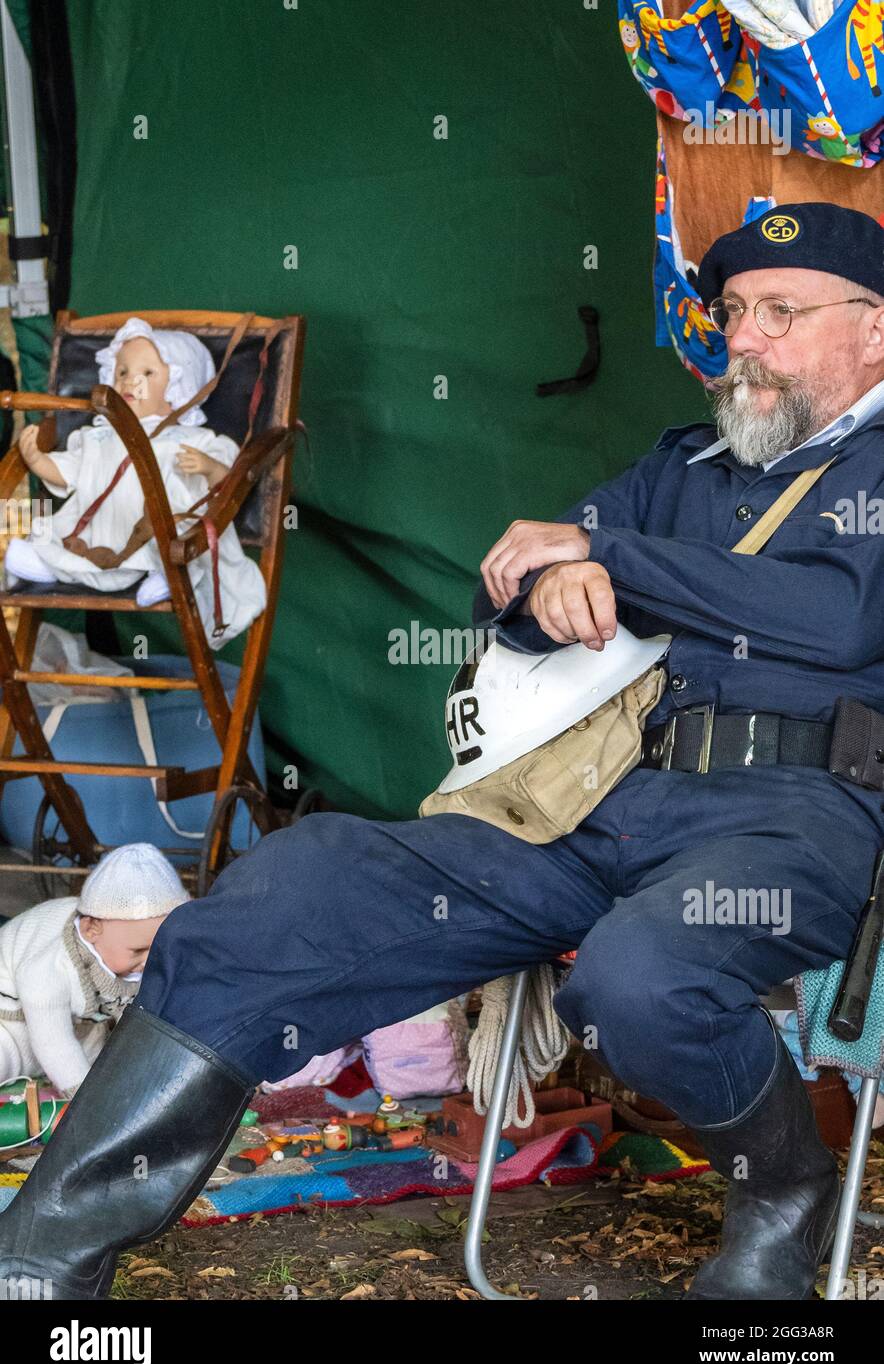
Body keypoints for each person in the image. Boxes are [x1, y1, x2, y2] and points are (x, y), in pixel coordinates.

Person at [1, 201, 883, 1301]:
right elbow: (509, 576)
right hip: (584, 801)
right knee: (285, 891)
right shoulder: (682, 466)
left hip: (787, 813)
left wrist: (609, 555)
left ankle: (785, 1190)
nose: (740, 339)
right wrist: (549, 585)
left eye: (778, 314)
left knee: (642, 979)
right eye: (735, 311)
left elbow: (836, 617)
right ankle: (38, 1260)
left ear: (872, 333)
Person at [3, 316, 267, 650]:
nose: (130, 382)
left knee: (172, 524)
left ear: (178, 388)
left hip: (157, 533)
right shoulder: (100, 435)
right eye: (122, 372)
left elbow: (229, 482)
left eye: (147, 374)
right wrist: (40, 462)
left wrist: (208, 466)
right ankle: (48, 562)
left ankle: (167, 574)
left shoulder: (191, 438)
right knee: (53, 531)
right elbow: (71, 472)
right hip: (100, 528)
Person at [0, 843, 189, 1097]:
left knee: (109, 1060)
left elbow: (139, 1016)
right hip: (12, 1020)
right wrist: (84, 1098)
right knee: (14, 1057)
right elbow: (53, 1041)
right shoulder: (50, 966)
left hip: (79, 1021)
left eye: (157, 949)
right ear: (91, 929)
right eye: (137, 951)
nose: (148, 960)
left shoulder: (122, 951)